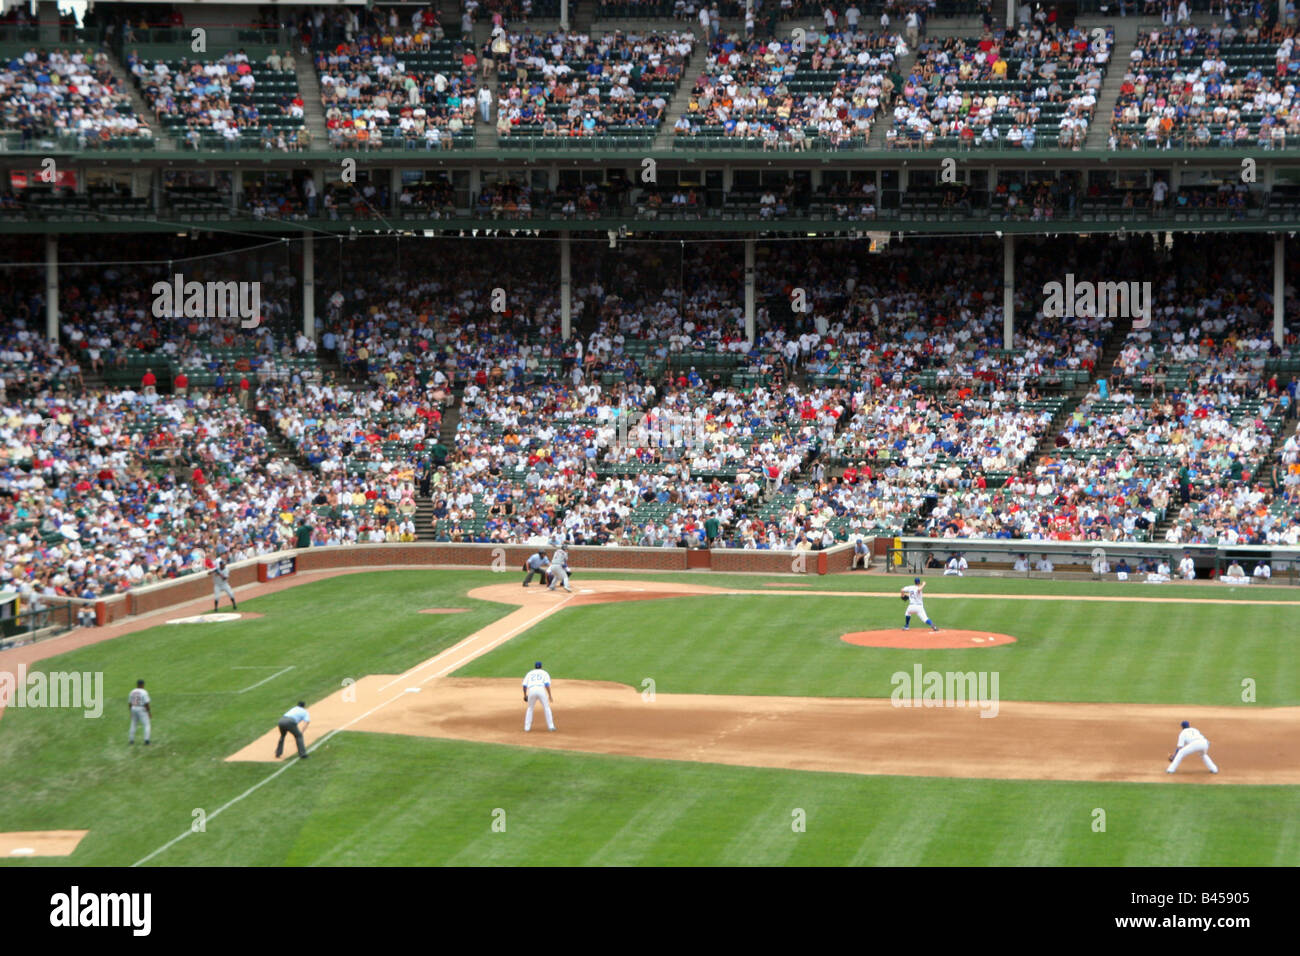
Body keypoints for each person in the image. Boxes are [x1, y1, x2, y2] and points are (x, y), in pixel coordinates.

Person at [522, 661, 555, 732]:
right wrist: (549, 695)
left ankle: (527, 728)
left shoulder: (529, 673)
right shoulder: (544, 673)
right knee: (546, 708)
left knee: (530, 708)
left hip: (531, 690)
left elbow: (524, 685)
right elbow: (546, 685)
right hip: (541, 690)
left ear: (535, 667)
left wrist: (525, 695)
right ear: (541, 667)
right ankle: (551, 726)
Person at [128, 679, 151, 745]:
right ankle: (146, 740)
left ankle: (131, 740)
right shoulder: (144, 692)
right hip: (141, 708)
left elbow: (129, 703)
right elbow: (147, 703)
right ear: (142, 685)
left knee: (133, 724)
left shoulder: (132, 691)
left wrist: (131, 712)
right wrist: (149, 712)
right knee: (147, 725)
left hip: (133, 708)